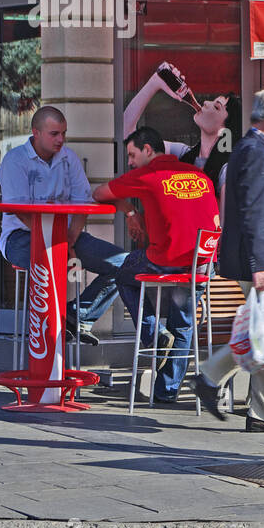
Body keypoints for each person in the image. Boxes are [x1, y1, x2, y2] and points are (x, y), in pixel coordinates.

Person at [194, 88, 264, 433]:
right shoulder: (256, 152)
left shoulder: (256, 150)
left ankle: (214, 378)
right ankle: (263, 412)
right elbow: (255, 212)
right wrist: (261, 265)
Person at [93, 126, 220, 404]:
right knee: (184, 325)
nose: (129, 162)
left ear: (148, 150)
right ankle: (166, 392)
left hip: (166, 262)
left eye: (132, 154)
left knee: (123, 271)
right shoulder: (201, 176)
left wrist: (129, 212)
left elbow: (99, 193)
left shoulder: (148, 175)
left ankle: (155, 335)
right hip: (200, 268)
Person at [0, 106, 127, 345]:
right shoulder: (15, 160)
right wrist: (60, 246)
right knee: (52, 265)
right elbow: (20, 210)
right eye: (54, 133)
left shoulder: (69, 158)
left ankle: (77, 316)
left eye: (63, 133)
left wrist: (69, 241)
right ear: (36, 132)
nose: (61, 139)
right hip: (21, 236)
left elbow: (82, 204)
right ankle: (50, 336)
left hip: (66, 236)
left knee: (124, 263)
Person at [123, 61, 240, 187]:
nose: (206, 102)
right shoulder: (182, 154)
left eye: (217, 107)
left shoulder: (225, 172)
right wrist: (155, 82)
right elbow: (128, 135)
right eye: (212, 101)